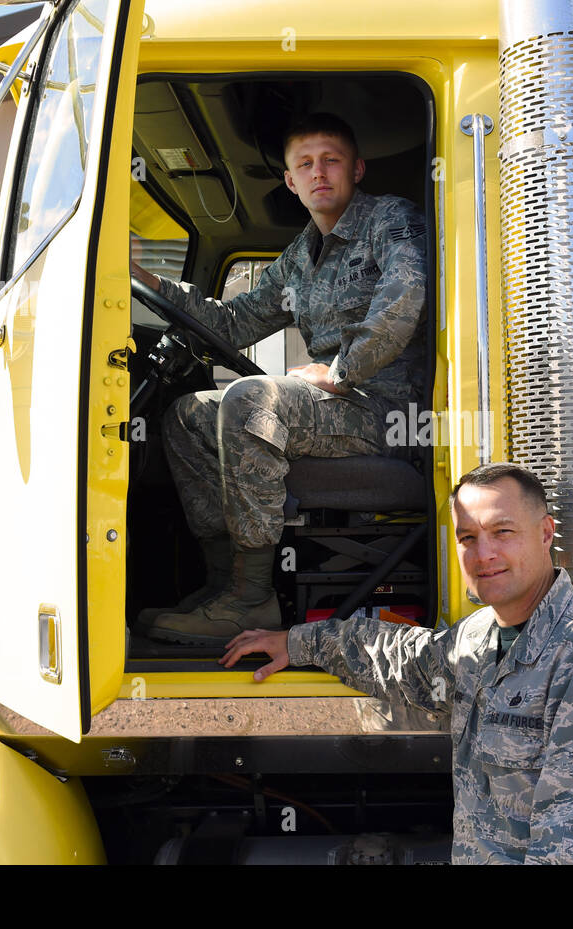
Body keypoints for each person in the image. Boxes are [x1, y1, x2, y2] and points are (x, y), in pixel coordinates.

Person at [222, 463, 573, 864]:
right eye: (468, 538)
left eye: (503, 532)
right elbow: (403, 658)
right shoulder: (480, 638)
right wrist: (299, 641)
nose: (484, 555)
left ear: (546, 532)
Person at [132, 112, 428, 645]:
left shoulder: (390, 219)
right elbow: (233, 321)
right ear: (290, 181)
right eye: (305, 164)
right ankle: (226, 584)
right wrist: (147, 280)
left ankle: (253, 601)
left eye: (331, 160)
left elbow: (403, 298)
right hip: (338, 407)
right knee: (187, 414)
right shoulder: (300, 256)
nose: (319, 173)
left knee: (250, 401)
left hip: (390, 414)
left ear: (357, 169)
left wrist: (341, 371)